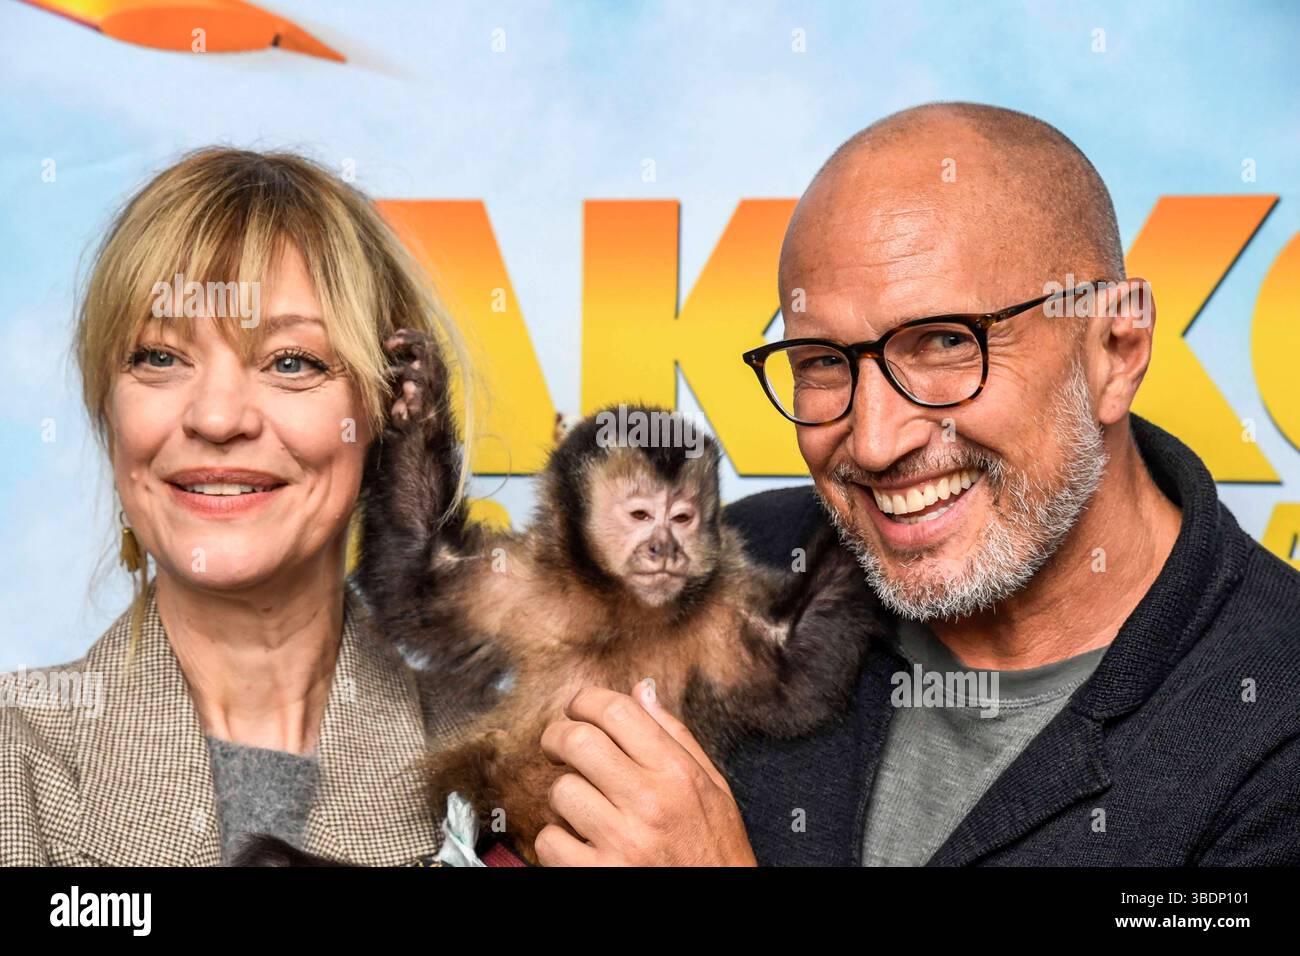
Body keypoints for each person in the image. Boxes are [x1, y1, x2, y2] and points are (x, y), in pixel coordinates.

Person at [532, 102, 1300, 866]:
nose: (872, 441)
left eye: (943, 343)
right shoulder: (744, 563)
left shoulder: (1275, 724)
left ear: (1116, 349)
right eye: (824, 362)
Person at [0, 148, 473, 865]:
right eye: (159, 357)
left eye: (291, 361)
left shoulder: (531, 770)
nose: (218, 418)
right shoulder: (16, 760)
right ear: (111, 414)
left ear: (389, 408)